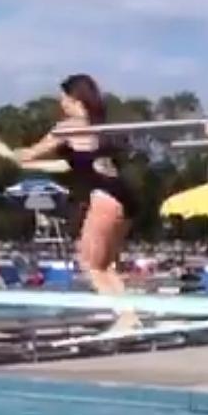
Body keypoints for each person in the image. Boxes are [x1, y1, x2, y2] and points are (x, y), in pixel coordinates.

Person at [14, 74, 137, 297]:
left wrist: (17, 156)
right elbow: (69, 165)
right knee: (105, 266)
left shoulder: (68, 128)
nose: (61, 104)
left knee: (89, 263)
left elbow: (30, 152)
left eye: (63, 99)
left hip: (105, 197)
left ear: (75, 99)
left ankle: (127, 317)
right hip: (125, 196)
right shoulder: (98, 126)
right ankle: (129, 317)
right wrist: (34, 165)